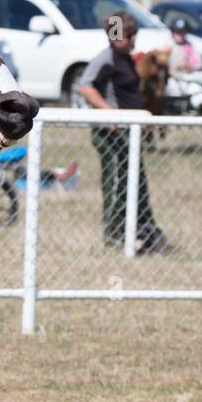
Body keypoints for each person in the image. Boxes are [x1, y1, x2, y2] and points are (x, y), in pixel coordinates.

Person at [76, 13, 174, 255]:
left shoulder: (126, 59)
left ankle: (144, 229)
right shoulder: (106, 59)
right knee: (117, 179)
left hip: (129, 131)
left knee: (136, 180)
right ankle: (114, 234)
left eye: (133, 35)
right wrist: (109, 114)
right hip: (112, 133)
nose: (132, 40)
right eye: (129, 35)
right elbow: (85, 87)